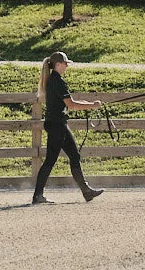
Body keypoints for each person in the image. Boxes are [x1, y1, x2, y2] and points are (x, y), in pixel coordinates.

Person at [32, 51, 105, 204]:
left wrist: (89, 105)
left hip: (57, 124)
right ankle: (38, 195)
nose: (66, 66)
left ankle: (86, 191)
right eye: (65, 63)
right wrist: (92, 105)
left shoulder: (53, 80)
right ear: (58, 64)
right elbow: (71, 104)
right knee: (51, 160)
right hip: (57, 125)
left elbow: (70, 102)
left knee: (73, 156)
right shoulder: (58, 81)